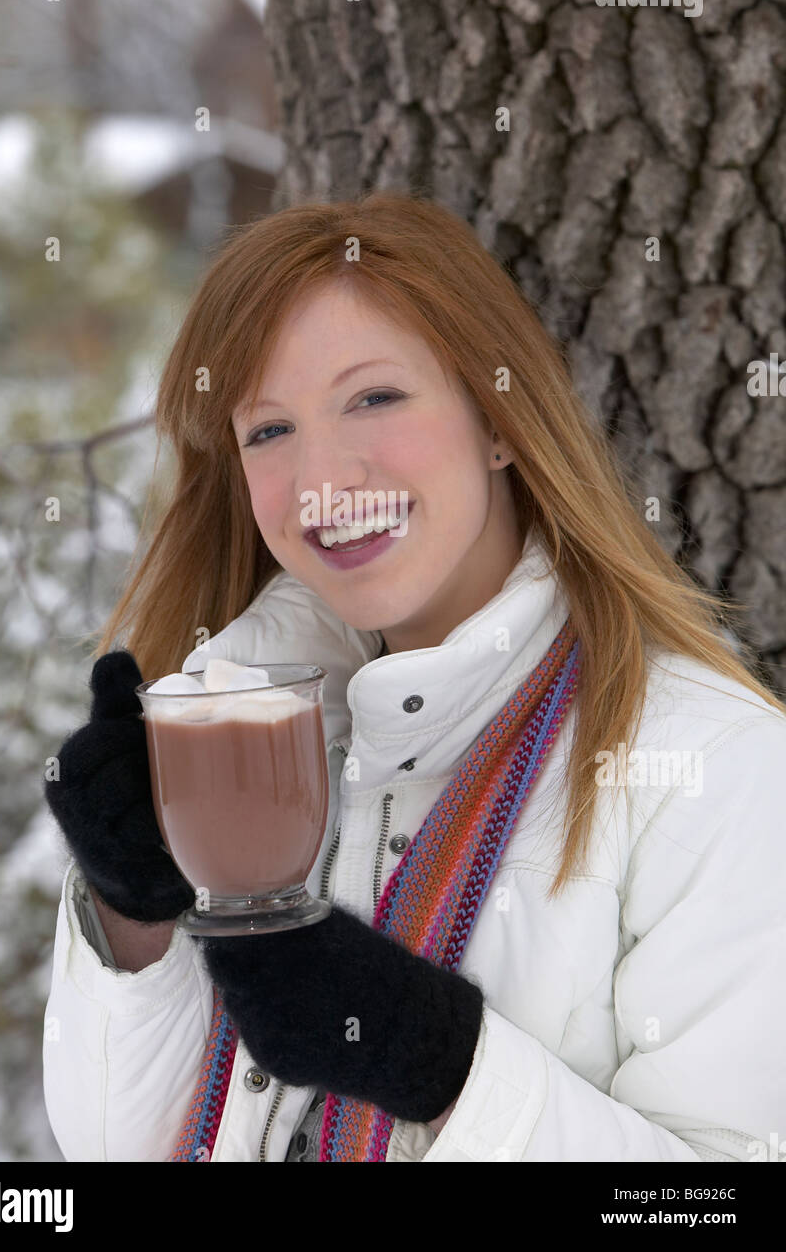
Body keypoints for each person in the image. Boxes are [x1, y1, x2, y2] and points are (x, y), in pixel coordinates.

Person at [42, 193, 786, 1163]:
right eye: (269, 430)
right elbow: (113, 1146)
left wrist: (442, 1064)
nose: (322, 478)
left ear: (498, 421)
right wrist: (129, 912)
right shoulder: (241, 728)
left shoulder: (716, 766)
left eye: (374, 397)